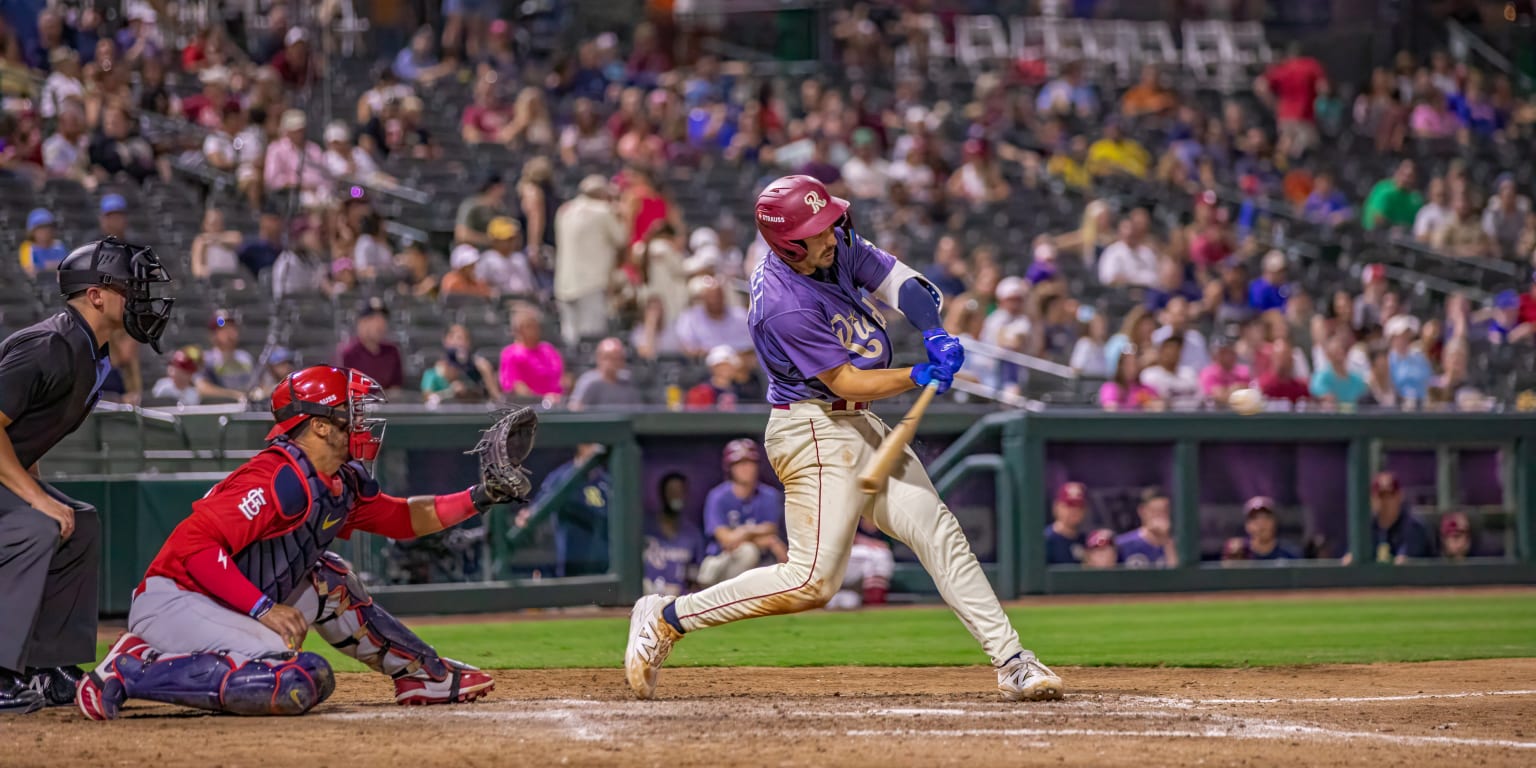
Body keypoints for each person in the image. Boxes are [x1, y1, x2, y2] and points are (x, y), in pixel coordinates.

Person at [624, 175, 1064, 703]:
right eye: (816, 230)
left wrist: (934, 330)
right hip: (811, 427)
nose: (831, 235)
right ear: (788, 242)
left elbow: (907, 284)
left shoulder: (834, 248)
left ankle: (1012, 659)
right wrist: (917, 375)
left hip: (855, 423)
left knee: (935, 527)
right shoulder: (783, 302)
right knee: (813, 581)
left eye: (829, 222)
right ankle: (667, 615)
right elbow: (848, 381)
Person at [75, 366, 531, 720]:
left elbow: (402, 518)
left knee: (328, 575)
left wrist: (481, 496)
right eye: (352, 412)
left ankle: (419, 675)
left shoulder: (341, 479)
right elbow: (195, 549)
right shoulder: (276, 477)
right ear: (317, 426)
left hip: (225, 603)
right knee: (295, 677)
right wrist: (264, 610)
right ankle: (132, 668)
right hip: (177, 601)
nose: (362, 421)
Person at [0, 238, 173, 714]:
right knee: (36, 525)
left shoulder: (89, 352)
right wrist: (37, 501)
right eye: (129, 288)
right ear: (96, 296)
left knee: (81, 522)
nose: (140, 298)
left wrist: (37, 489)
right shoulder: (51, 344)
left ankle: (49, 667)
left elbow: (23, 436)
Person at [694, 440, 786, 587]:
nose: (746, 468)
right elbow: (726, 540)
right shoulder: (718, 496)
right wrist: (753, 533)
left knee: (755, 553)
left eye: (750, 462)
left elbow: (771, 528)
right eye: (740, 463)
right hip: (721, 561)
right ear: (730, 468)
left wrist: (742, 535)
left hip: (759, 563)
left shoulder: (769, 495)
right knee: (747, 552)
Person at [554, 175, 626, 345]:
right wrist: (621, 213)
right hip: (592, 282)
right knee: (591, 337)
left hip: (564, 282)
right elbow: (621, 238)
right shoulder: (603, 211)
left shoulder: (564, 211)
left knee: (570, 336)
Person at [538, 443, 610, 578]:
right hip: (568, 568)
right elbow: (536, 512)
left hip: (603, 569)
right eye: (590, 443)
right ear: (581, 446)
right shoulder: (561, 477)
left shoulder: (607, 482)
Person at [1343, 471, 1435, 564]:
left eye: (1390, 495)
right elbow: (1352, 556)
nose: (1385, 502)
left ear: (1400, 496)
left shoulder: (1414, 527)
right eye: (1380, 495)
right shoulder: (1365, 529)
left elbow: (1404, 561)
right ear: (1372, 499)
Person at [643, 473, 705, 597]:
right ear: (662, 494)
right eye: (671, 491)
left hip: (678, 597)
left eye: (680, 491)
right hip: (646, 592)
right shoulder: (645, 528)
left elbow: (695, 573)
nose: (676, 496)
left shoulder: (692, 532)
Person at [420, 324, 499, 404]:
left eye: (466, 339)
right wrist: (450, 392)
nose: (462, 343)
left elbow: (497, 401)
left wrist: (487, 374)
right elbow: (427, 398)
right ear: (446, 340)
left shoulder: (477, 371)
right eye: (458, 338)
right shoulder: (432, 374)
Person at [337, 298, 403, 392]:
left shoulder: (392, 351)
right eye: (373, 319)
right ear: (361, 323)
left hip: (385, 405)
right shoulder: (347, 353)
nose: (380, 324)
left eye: (383, 319)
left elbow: (395, 388)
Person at [499, 305, 564, 399]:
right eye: (529, 326)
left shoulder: (549, 349)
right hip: (530, 406)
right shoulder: (510, 354)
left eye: (535, 325)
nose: (534, 330)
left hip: (558, 403)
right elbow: (517, 387)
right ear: (518, 330)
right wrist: (542, 399)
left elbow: (561, 379)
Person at [675, 276, 751, 357]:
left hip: (741, 361)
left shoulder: (741, 315)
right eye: (711, 297)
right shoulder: (690, 318)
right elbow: (687, 347)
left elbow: (751, 343)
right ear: (703, 298)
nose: (715, 300)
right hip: (704, 363)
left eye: (718, 295)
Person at [568, 338, 643, 410]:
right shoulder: (588, 381)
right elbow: (575, 408)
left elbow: (637, 411)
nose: (611, 362)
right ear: (598, 358)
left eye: (616, 358)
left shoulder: (627, 381)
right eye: (607, 358)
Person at [1114, 489, 1178, 569]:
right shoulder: (1122, 545)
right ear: (1142, 511)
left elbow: (1179, 577)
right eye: (1155, 511)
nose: (1160, 515)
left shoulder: (1179, 545)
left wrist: (1167, 542)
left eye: (1164, 510)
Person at [1139, 336, 1201, 408]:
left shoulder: (1189, 373)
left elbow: (1201, 398)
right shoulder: (1150, 375)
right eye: (1169, 348)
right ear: (1160, 351)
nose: (1173, 352)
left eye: (1177, 348)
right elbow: (1148, 402)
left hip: (1193, 416)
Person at [1362, 160, 1423, 231]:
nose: (1405, 179)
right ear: (1396, 173)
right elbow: (1377, 218)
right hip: (1376, 234)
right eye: (1403, 174)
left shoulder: (1415, 199)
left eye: (1410, 176)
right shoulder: (1384, 190)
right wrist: (1393, 227)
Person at [203, 310, 256, 394]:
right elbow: (202, 388)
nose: (229, 333)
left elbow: (256, 385)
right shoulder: (206, 360)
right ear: (213, 334)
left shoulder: (246, 358)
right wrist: (234, 395)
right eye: (223, 329)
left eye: (232, 327)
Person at [1097, 217, 1159, 288]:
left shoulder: (1147, 253)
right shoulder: (1113, 252)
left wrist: (1129, 278)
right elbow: (1110, 279)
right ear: (1119, 233)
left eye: (1133, 229)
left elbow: (1156, 277)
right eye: (1126, 228)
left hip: (1148, 292)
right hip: (1121, 294)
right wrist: (1136, 280)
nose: (1130, 232)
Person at [1309, 334, 1368, 406]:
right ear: (1327, 354)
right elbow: (1323, 398)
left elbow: (1364, 402)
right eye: (1336, 351)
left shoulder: (1357, 379)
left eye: (1342, 349)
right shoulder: (1320, 378)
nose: (1340, 353)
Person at [1099, 347, 1160, 412]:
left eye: (1134, 363)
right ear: (1120, 366)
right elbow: (1110, 408)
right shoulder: (1110, 387)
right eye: (1126, 364)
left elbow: (1159, 406)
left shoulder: (1146, 389)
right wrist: (1135, 405)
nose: (1130, 368)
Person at [1044, 482, 1088, 566]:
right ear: (1057, 507)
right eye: (1069, 505)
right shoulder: (1046, 540)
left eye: (1079, 506)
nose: (1074, 511)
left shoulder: (1086, 541)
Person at [19, 208, 69, 276]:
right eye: (40, 228)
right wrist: (53, 266)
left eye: (47, 227)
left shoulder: (59, 245)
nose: (45, 231)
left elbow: (67, 269)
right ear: (32, 232)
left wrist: (42, 266)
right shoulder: (27, 247)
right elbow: (30, 272)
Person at [1199, 338, 1250, 404]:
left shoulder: (1243, 371)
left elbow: (1251, 393)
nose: (1228, 356)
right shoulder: (1208, 373)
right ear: (1216, 354)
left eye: (1231, 352)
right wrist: (1234, 389)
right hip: (1215, 412)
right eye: (1224, 352)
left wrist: (1228, 391)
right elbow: (1219, 396)